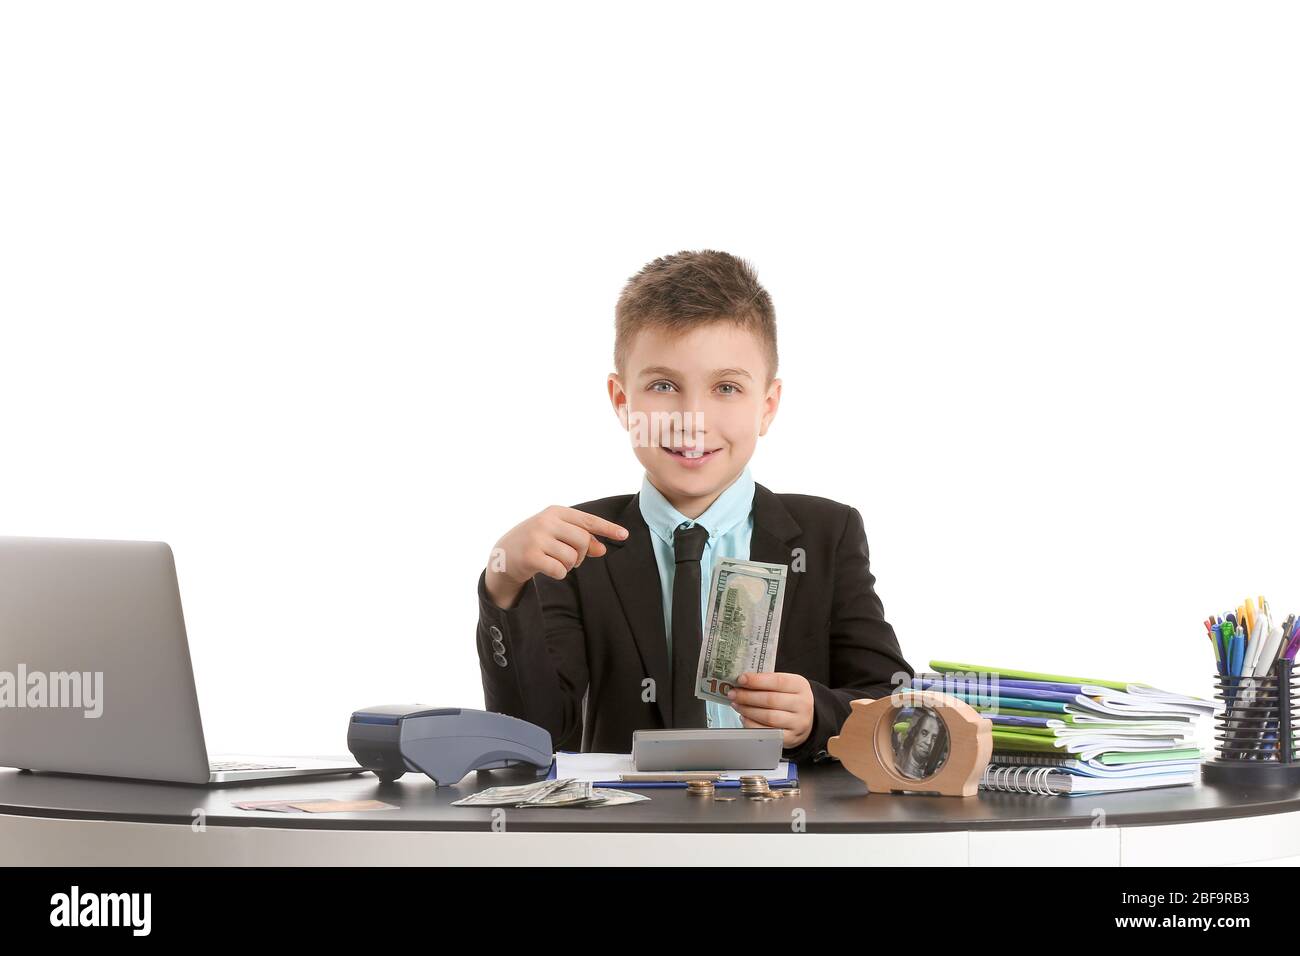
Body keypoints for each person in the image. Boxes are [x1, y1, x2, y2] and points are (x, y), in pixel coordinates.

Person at [475, 250, 913, 762]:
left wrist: (819, 714)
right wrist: (504, 585)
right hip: (633, 813)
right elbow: (534, 737)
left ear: (767, 406)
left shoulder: (827, 534)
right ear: (622, 401)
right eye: (663, 386)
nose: (692, 419)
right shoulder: (576, 544)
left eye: (726, 387)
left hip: (786, 812)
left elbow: (893, 704)